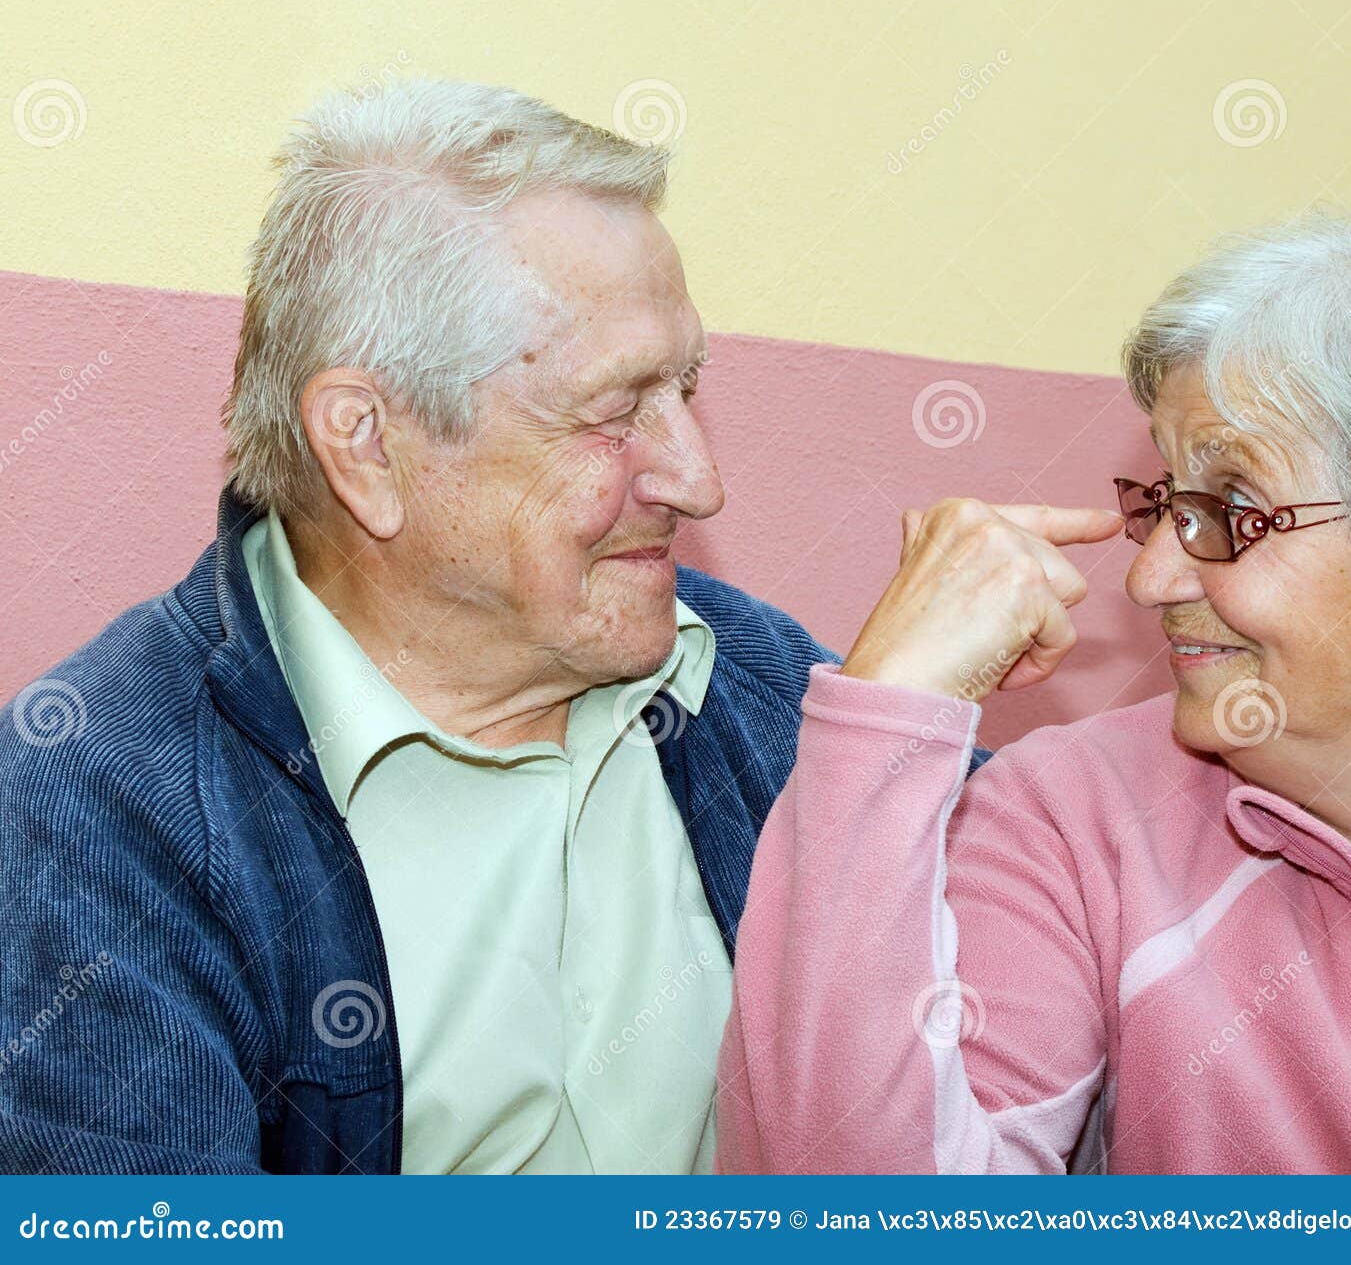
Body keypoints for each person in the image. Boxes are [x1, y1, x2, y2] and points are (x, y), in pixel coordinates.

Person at [0, 77, 845, 1173]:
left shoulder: (755, 679)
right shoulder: (95, 806)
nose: (698, 478)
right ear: (365, 445)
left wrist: (909, 732)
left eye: (686, 387)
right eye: (614, 410)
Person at [717, 187, 1351, 1174]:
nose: (1148, 579)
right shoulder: (1071, 816)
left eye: (1233, 505)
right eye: (1164, 505)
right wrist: (885, 717)